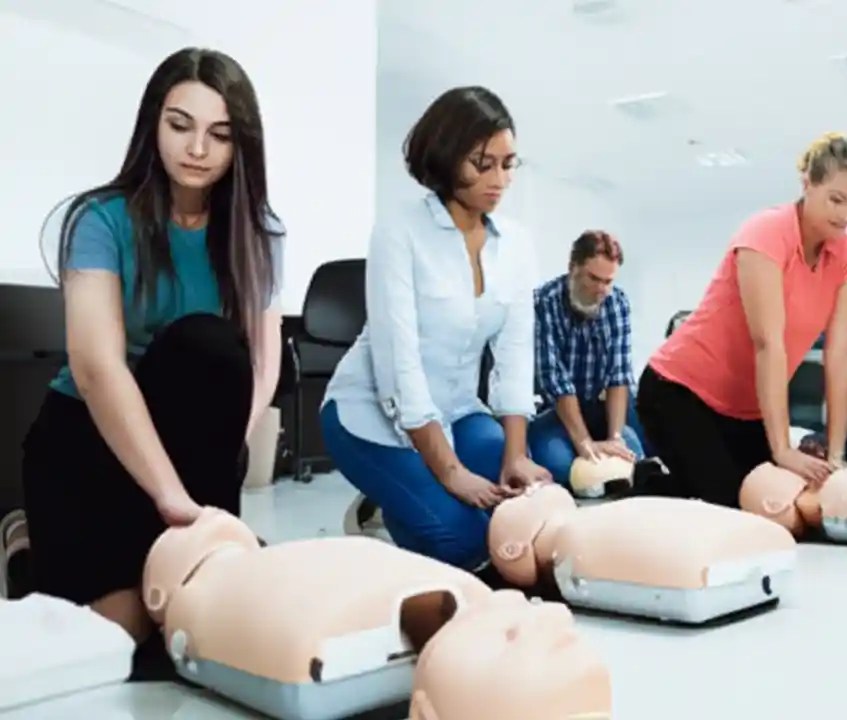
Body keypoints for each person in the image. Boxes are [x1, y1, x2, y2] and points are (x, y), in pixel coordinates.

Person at [21, 48, 284, 644]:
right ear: (153, 124)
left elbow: (261, 365)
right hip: (91, 441)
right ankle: (29, 550)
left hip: (190, 447)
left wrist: (218, 462)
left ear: (240, 144)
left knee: (195, 629)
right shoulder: (101, 219)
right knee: (125, 640)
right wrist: (169, 497)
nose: (197, 149)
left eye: (219, 134)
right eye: (180, 125)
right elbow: (96, 368)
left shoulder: (258, 233)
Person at [320, 86, 551, 573]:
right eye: (481, 163)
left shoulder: (517, 246)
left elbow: (514, 356)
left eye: (508, 164)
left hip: (457, 410)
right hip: (371, 414)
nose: (498, 179)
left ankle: (407, 496)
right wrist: (449, 472)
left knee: (530, 502)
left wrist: (516, 455)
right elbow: (398, 365)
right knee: (464, 541)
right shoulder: (399, 231)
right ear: (446, 158)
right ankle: (389, 505)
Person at [634, 132, 847, 507]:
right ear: (807, 183)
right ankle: (647, 482)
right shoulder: (766, 232)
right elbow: (768, 342)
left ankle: (674, 478)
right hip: (679, 391)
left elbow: (842, 351)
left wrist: (835, 452)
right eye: (837, 199)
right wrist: (781, 449)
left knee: (776, 501)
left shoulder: (846, 253)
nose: (846, 215)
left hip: (744, 409)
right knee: (734, 503)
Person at [528, 230, 648, 486]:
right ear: (573, 268)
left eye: (608, 281)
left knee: (631, 457)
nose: (600, 290)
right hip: (554, 412)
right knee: (561, 467)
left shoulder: (617, 303)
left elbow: (619, 375)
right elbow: (557, 382)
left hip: (599, 406)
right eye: (593, 279)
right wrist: (584, 443)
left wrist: (615, 437)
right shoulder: (544, 303)